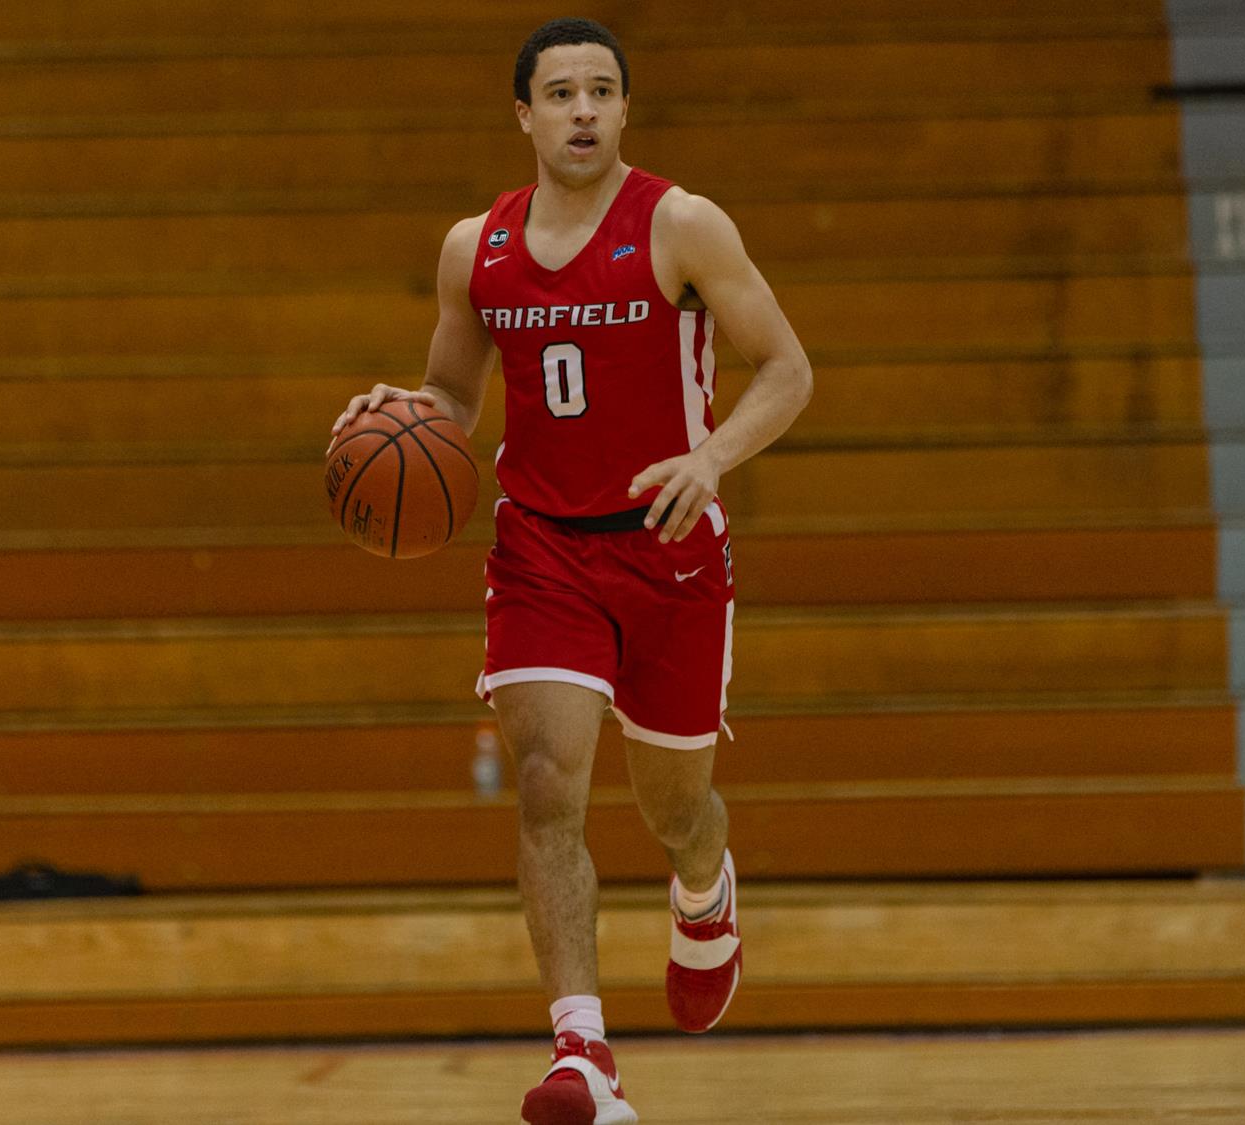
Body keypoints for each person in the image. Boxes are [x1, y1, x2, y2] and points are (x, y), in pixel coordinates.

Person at [331, 17, 812, 1125]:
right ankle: (583, 1057)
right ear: (524, 115)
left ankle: (704, 892)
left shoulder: (681, 225)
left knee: (674, 808)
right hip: (541, 549)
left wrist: (711, 454)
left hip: (669, 551)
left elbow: (786, 369)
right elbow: (449, 406)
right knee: (548, 782)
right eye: (560, 93)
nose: (582, 110)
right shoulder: (476, 249)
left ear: (624, 109)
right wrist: (395, 414)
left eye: (601, 90)